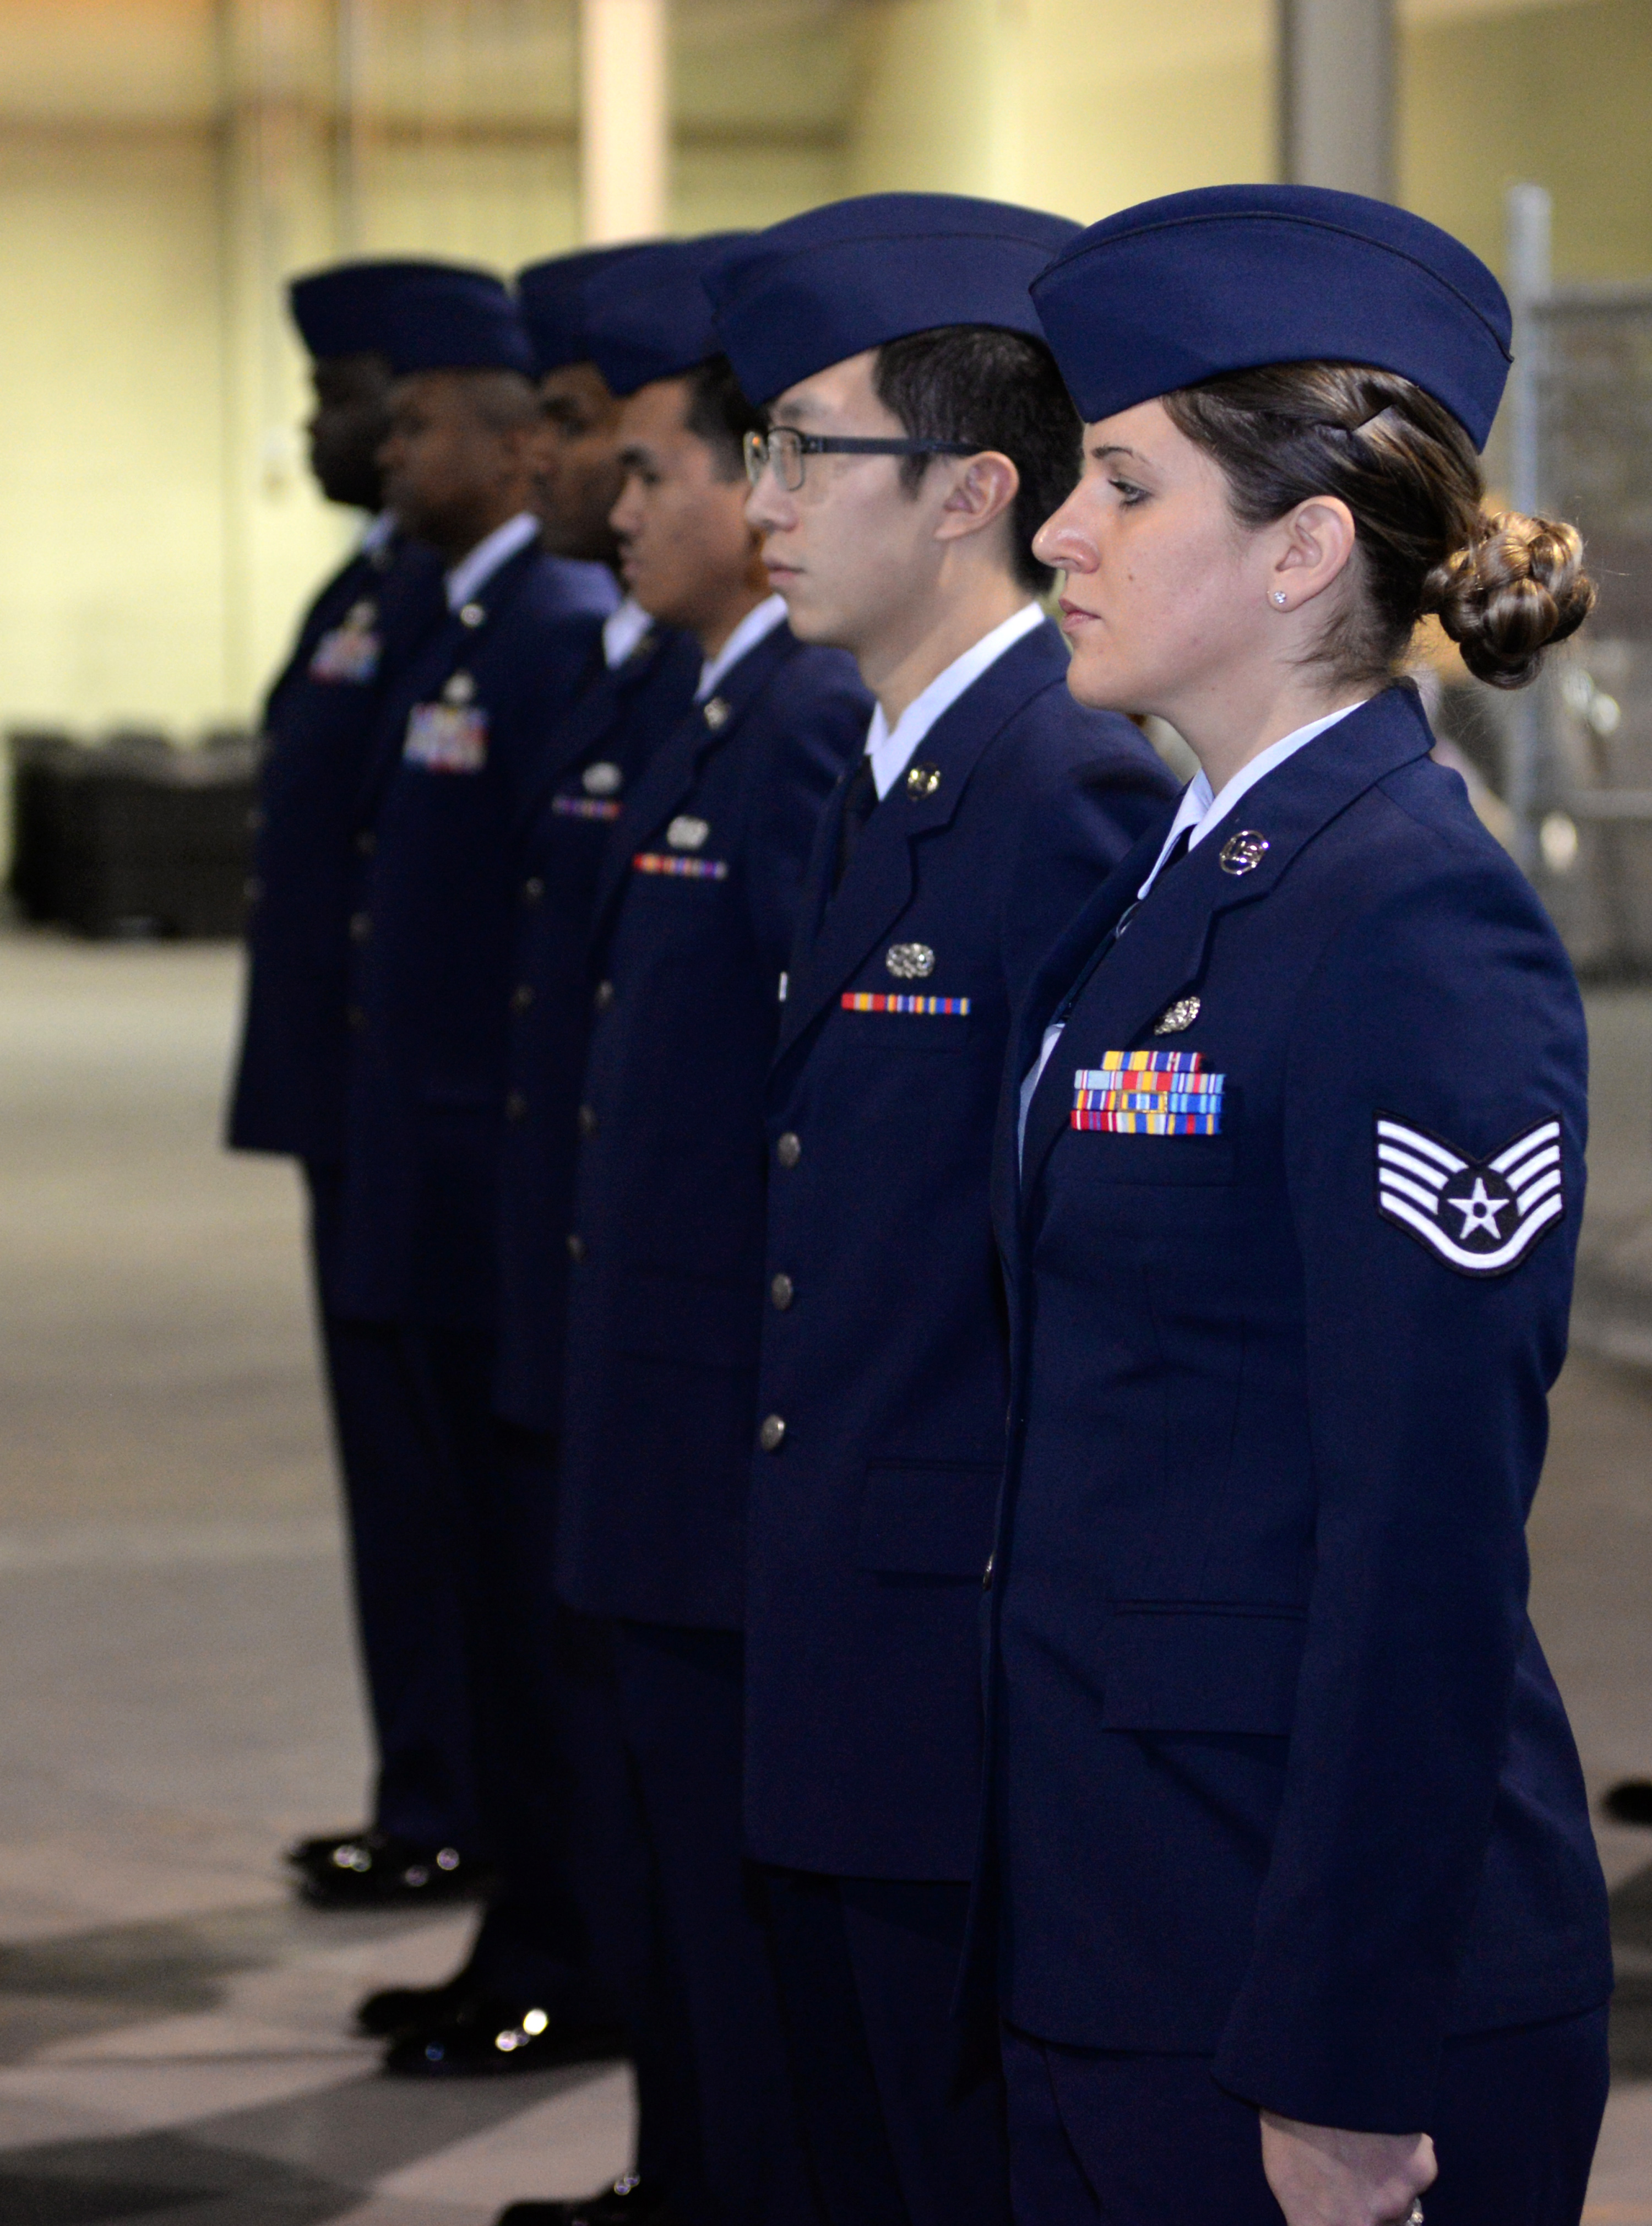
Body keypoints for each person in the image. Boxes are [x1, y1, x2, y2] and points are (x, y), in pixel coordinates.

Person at [985, 183, 1611, 2225]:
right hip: (1129, 1911)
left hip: (1311, 1994)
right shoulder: (1202, 871)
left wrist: (1341, 2053)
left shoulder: (1409, 921)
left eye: (1122, 484)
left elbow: (1422, 1543)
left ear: (1303, 546)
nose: (1060, 531)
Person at [705, 196, 1177, 2226]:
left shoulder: (1058, 785)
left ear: (977, 486)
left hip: (949, 1660)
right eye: (760, 449)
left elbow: (1070, 1281)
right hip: (839, 1621)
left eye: (810, 448)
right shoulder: (886, 768)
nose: (764, 503)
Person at [551, 236, 871, 2226]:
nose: (651, 501)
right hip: (660, 1414)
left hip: (727, 1427)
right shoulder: (712, 712)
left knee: (746, 1921)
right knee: (677, 1868)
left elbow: (816, 1146)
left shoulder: (803, 737)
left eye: (662, 463)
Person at [376, 245, 702, 2105]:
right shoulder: (654, 678)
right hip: (537, 1228)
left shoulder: (751, 714)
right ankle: (558, 1936)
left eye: (611, 436)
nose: (598, 480)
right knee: (527, 1624)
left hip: (643, 1302)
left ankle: (579, 1958)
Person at [308, 262, 626, 2075]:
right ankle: (522, 1891)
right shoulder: (436, 609)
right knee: (467, 1559)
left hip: (498, 1189)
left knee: (522, 1584)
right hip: (436, 1166)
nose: (614, 484)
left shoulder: (550, 636)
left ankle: (556, 1924)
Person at [225, 260, 470, 1909]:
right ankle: (426, 1779)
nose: (333, 431)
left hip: (447, 1128)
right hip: (362, 1105)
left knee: (457, 1487)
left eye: (346, 396)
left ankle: (464, 1794)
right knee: (396, 1477)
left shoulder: (483, 617)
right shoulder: (368, 594)